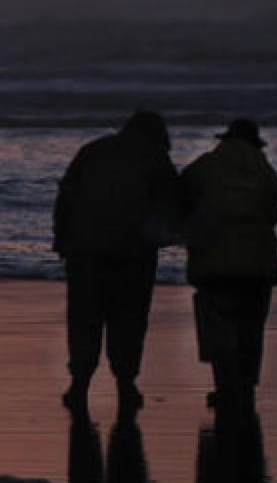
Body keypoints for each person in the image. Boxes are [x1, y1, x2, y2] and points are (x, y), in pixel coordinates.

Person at [53, 110, 181, 412]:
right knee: (129, 321)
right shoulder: (154, 157)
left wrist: (61, 238)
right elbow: (175, 198)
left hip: (85, 252)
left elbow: (66, 196)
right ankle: (126, 383)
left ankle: (79, 384)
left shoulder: (93, 151)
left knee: (85, 319)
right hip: (133, 253)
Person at [180, 118, 277, 414]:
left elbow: (181, 197)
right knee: (251, 327)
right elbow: (273, 211)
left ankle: (225, 387)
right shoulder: (264, 171)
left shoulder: (206, 165)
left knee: (219, 328)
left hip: (212, 263)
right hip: (257, 265)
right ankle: (246, 387)